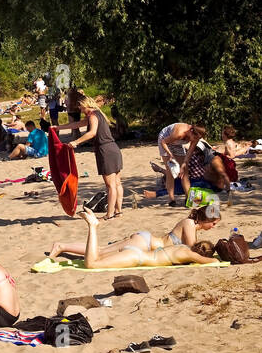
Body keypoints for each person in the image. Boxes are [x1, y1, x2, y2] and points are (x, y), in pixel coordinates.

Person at [48, 204, 220, 261]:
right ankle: (61, 246)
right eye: (213, 223)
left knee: (100, 250)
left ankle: (63, 246)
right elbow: (190, 249)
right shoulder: (189, 223)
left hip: (145, 242)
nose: (213, 226)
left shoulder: (191, 225)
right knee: (99, 253)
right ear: (205, 219)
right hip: (144, 244)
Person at [61, 97, 125, 219]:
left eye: (80, 106)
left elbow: (92, 133)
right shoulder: (98, 113)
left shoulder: (92, 115)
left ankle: (110, 214)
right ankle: (118, 211)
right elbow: (77, 124)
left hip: (105, 150)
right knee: (117, 183)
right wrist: (58, 128)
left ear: (84, 105)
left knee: (110, 185)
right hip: (114, 148)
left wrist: (76, 142)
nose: (79, 109)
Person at [157, 122, 203, 206]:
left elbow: (189, 153)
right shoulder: (179, 133)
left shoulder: (196, 137)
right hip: (165, 140)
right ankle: (171, 199)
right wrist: (170, 155)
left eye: (197, 138)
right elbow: (163, 142)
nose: (195, 139)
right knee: (170, 170)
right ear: (191, 131)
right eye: (194, 137)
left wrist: (184, 164)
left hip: (177, 143)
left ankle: (189, 198)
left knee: (184, 172)